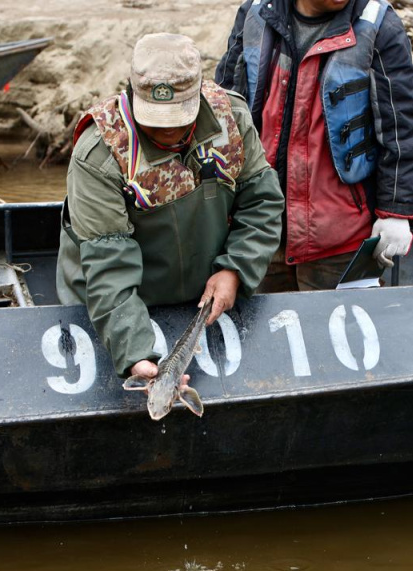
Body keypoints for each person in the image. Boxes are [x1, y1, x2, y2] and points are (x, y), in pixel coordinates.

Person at [57, 33, 284, 379]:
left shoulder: (232, 118)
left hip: (200, 297)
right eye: (155, 120)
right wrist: (135, 352)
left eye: (178, 118)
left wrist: (236, 269)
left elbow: (262, 203)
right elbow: (107, 267)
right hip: (112, 308)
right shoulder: (98, 156)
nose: (167, 132)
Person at [215, 0, 413, 290]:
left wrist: (394, 212)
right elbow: (224, 113)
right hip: (259, 232)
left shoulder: (378, 25)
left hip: (341, 242)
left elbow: (400, 127)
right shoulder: (256, 15)